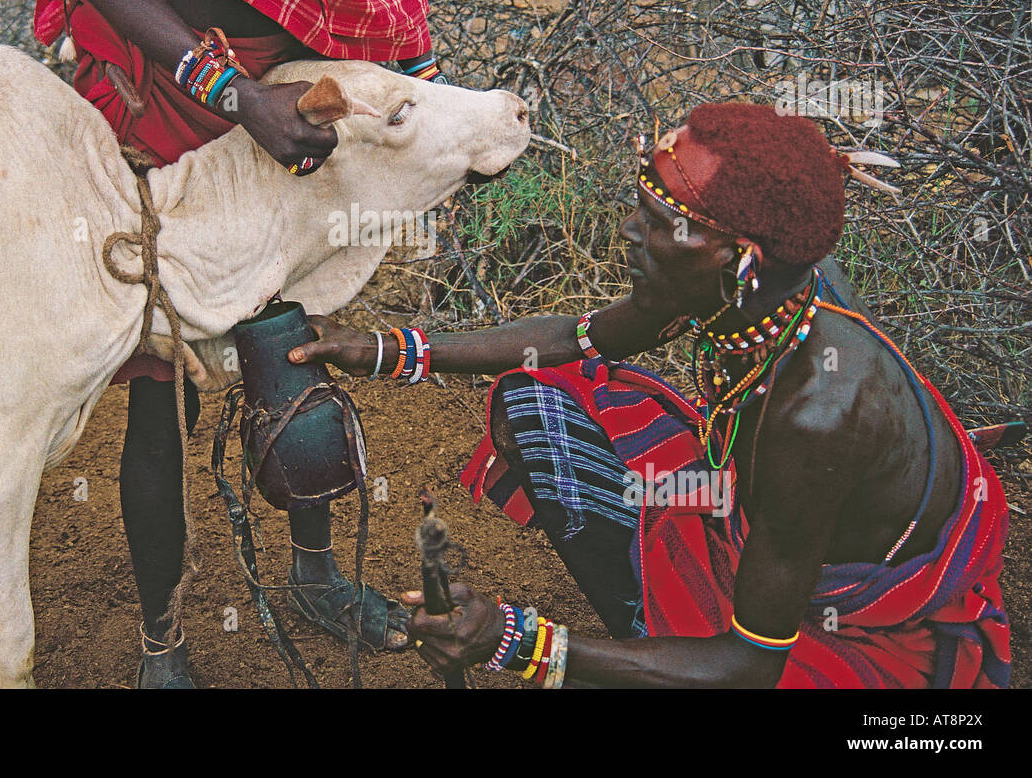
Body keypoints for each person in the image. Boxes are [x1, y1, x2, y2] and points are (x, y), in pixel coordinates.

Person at [292, 102, 1011, 687]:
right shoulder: (758, 285)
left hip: (844, 643)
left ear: (736, 259)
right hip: (757, 531)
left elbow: (751, 663)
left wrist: (517, 641)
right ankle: (653, 640)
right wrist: (394, 351)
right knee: (536, 403)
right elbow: (580, 337)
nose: (629, 232)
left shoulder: (815, 416)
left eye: (657, 221)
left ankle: (655, 652)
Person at [8, 0, 443, 687]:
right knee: (162, 382)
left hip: (299, 82)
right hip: (165, 85)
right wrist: (235, 97)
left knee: (291, 339)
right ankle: (163, 644)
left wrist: (406, 82)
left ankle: (314, 573)